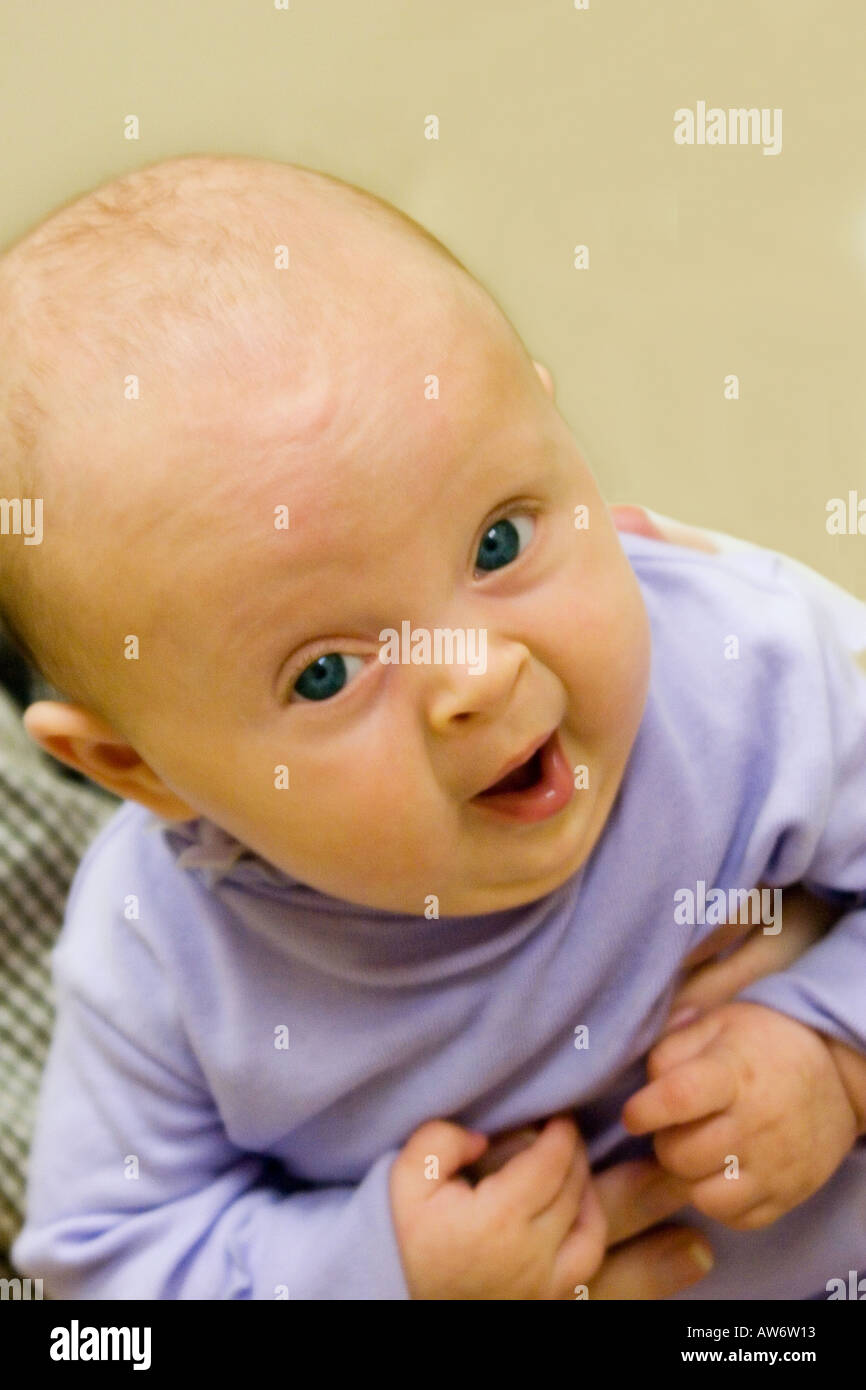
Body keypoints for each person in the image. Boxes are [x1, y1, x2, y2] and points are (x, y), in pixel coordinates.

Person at [4, 155, 866, 1299]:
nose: (474, 675)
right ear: (136, 770)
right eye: (324, 672)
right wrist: (381, 1275)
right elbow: (101, 1284)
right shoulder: (162, 954)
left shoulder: (752, 669)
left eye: (498, 543)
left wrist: (834, 1050)